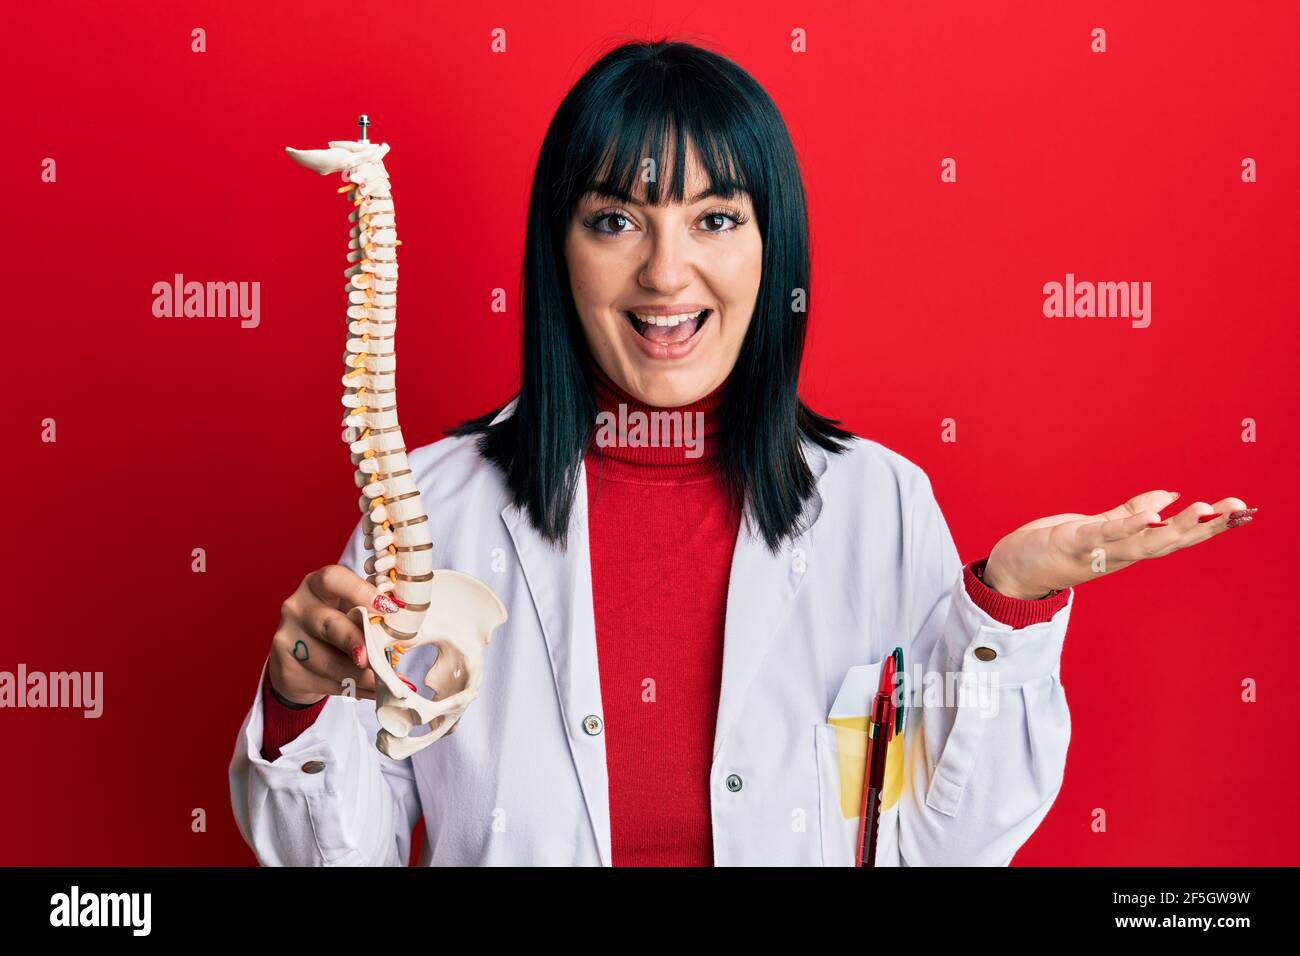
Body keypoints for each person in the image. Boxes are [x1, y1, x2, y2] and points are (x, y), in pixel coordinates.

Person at [229, 39, 1253, 866]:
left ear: (774, 248)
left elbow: (953, 843)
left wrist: (1003, 605)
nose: (665, 271)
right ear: (559, 249)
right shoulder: (433, 506)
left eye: (715, 217)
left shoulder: (879, 505)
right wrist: (298, 702)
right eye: (616, 218)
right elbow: (328, 854)